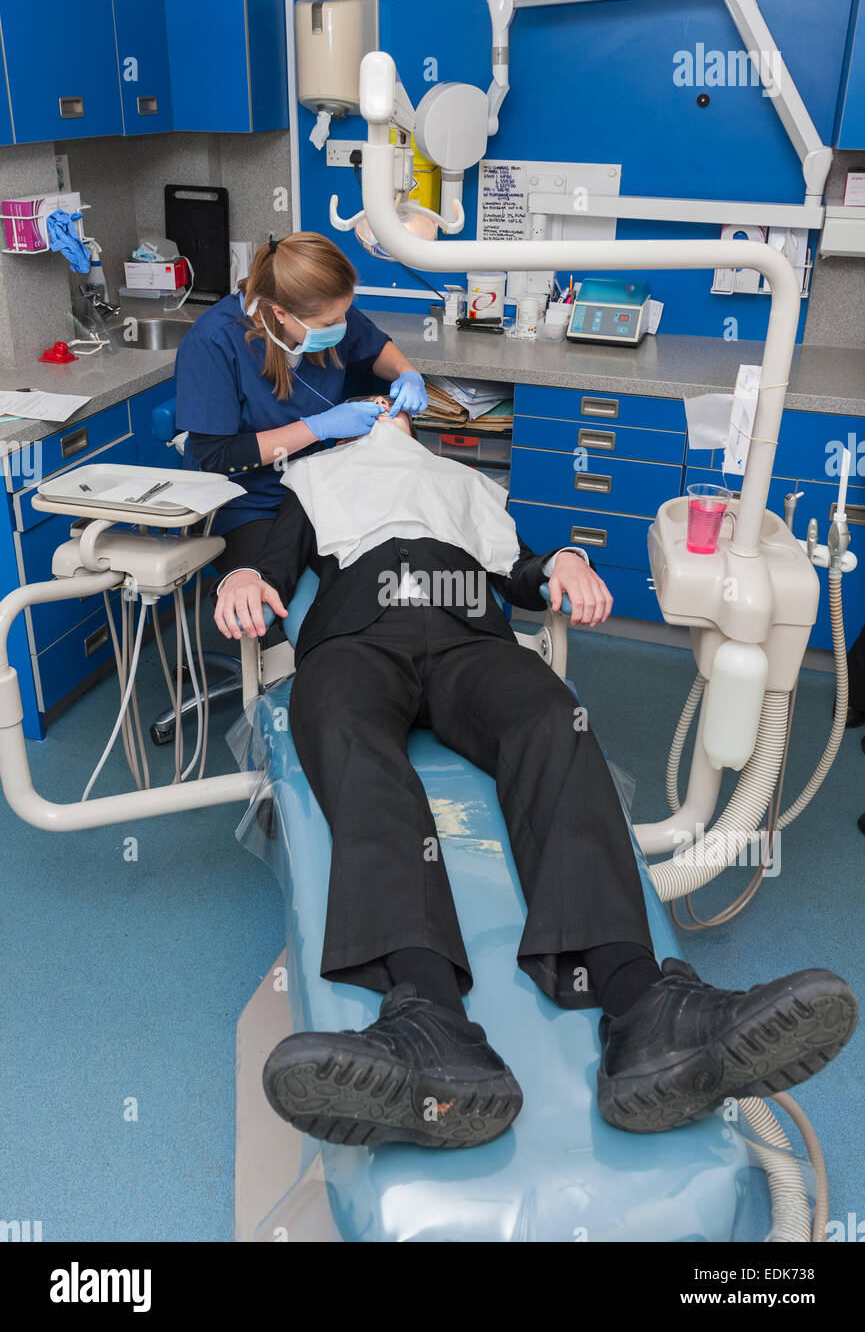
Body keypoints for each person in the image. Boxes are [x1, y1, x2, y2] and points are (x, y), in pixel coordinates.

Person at [214, 411, 858, 1150]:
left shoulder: (467, 488)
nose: (388, 423)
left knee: (557, 723)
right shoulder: (318, 479)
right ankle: (428, 1023)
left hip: (470, 643)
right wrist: (242, 576)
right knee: (351, 746)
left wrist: (562, 561)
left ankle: (645, 1007)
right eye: (376, 412)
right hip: (358, 642)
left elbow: (517, 572)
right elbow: (271, 558)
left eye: (401, 412)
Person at [174, 231, 428, 576]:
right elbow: (217, 456)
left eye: (345, 313)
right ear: (280, 312)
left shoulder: (326, 311)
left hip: (320, 488)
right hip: (247, 504)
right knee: (277, 587)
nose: (343, 325)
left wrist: (407, 373)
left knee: (378, 570)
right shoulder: (214, 342)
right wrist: (318, 427)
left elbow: (372, 345)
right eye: (329, 323)